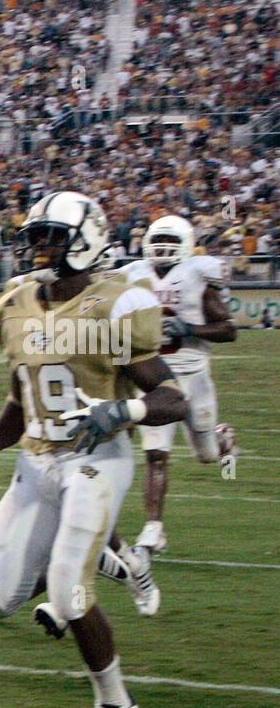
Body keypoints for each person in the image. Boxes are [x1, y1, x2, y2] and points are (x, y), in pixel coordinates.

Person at [0, 191, 186, 708]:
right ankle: (101, 554)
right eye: (35, 236)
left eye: (51, 237)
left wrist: (121, 409)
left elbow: (173, 398)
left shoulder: (118, 303)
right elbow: (21, 399)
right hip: (36, 461)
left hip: (96, 460)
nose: (38, 247)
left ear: (85, 241)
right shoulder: (14, 305)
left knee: (66, 587)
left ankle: (116, 705)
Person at [116, 215, 238, 557]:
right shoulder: (133, 274)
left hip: (194, 374)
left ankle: (222, 438)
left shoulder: (198, 275)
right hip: (154, 375)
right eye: (158, 239)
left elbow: (229, 329)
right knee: (156, 453)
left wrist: (189, 328)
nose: (163, 247)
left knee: (206, 454)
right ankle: (154, 530)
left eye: (170, 239)